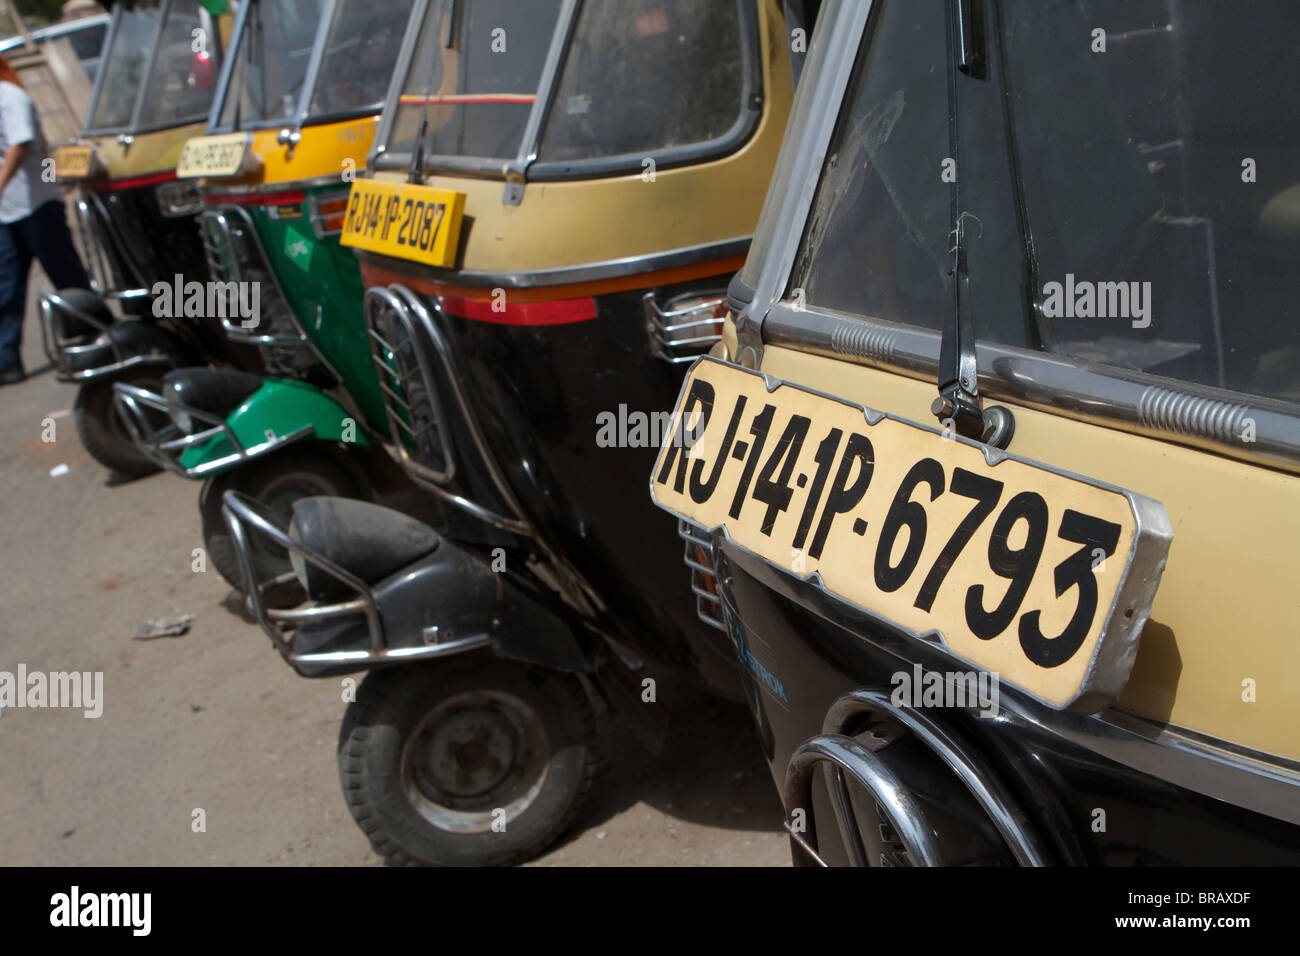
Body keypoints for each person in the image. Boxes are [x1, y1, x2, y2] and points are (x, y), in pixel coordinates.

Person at [0, 52, 91, 385]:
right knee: (5, 285)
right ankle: (6, 359)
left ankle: (94, 334)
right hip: (7, 212)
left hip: (37, 203)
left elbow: (19, 144)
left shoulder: (10, 97)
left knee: (66, 276)